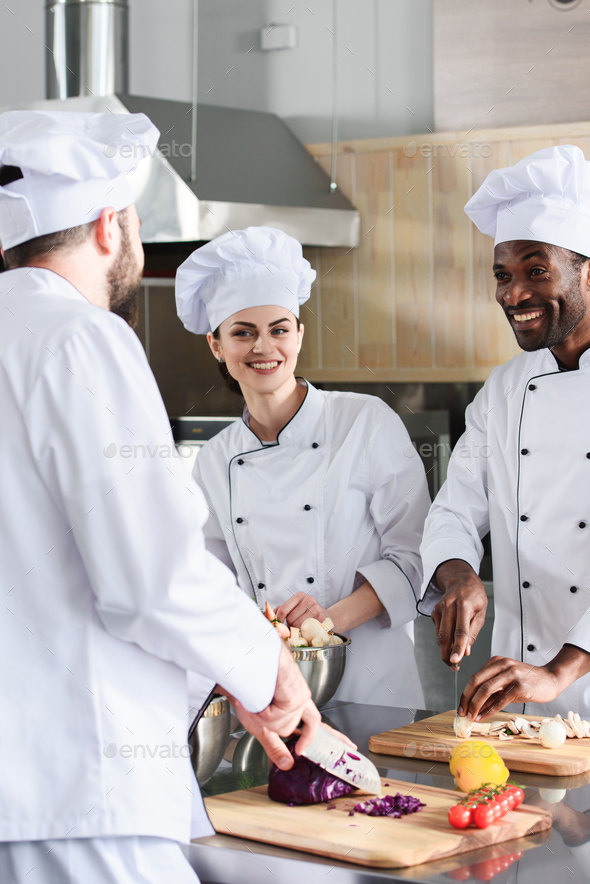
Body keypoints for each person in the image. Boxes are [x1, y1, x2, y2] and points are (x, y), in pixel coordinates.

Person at [0, 111, 321, 883]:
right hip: (82, 793)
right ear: (109, 226)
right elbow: (149, 579)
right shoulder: (81, 337)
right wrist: (267, 665)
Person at [175, 226, 431, 708]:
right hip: (268, 691)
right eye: (242, 332)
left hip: (371, 687)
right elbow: (212, 586)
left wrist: (326, 622)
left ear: (299, 335)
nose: (263, 347)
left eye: (279, 329)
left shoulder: (364, 422)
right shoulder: (214, 460)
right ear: (216, 345)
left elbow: (416, 557)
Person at [419, 144, 590, 721]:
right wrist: (459, 575)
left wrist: (560, 671)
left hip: (563, 675)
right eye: (503, 275)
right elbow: (455, 507)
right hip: (520, 695)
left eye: (536, 271)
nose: (513, 295)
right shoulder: (504, 388)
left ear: (587, 271)